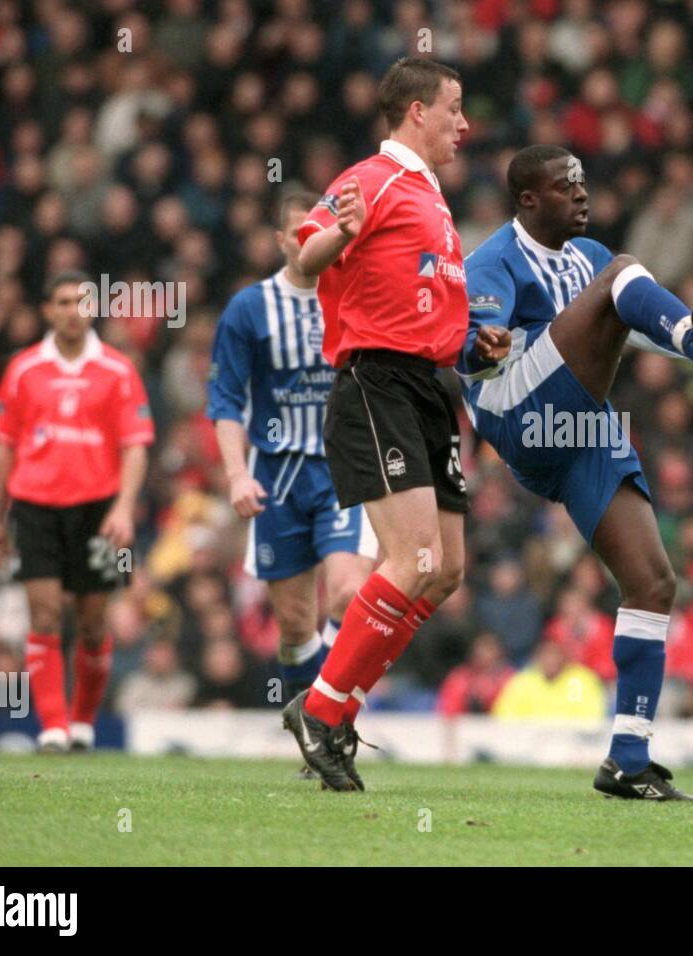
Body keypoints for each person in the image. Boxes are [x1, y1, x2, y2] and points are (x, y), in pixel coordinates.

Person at [461, 144, 693, 800]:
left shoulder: (586, 261)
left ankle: (628, 759)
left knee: (653, 582)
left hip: (581, 425)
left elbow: (636, 328)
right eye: (566, 186)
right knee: (624, 272)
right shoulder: (492, 263)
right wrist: (480, 347)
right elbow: (468, 354)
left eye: (584, 183)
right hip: (520, 415)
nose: (583, 195)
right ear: (528, 200)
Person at [280, 57, 505, 791]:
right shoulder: (370, 180)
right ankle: (321, 710)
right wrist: (337, 237)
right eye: (454, 108)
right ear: (416, 111)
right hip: (377, 382)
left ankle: (332, 706)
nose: (464, 124)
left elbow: (429, 304)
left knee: (445, 573)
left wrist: (474, 344)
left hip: (431, 386)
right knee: (410, 560)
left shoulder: (431, 198)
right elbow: (308, 257)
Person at [206, 194, 378, 777]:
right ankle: (315, 735)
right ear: (281, 241)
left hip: (340, 469)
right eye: (300, 232)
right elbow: (225, 400)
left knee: (346, 595)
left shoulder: (352, 293)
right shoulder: (249, 309)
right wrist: (235, 475)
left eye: (322, 230)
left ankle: (331, 722)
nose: (311, 240)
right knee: (295, 629)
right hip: (275, 476)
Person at [0, 269, 154, 752]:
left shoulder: (118, 370)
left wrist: (123, 508)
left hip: (98, 510)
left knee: (95, 621)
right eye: (62, 302)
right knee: (43, 614)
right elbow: (3, 446)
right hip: (36, 507)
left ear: (93, 308)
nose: (72, 311)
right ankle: (53, 726)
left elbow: (136, 445)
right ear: (47, 310)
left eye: (81, 301)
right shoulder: (23, 369)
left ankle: (83, 719)